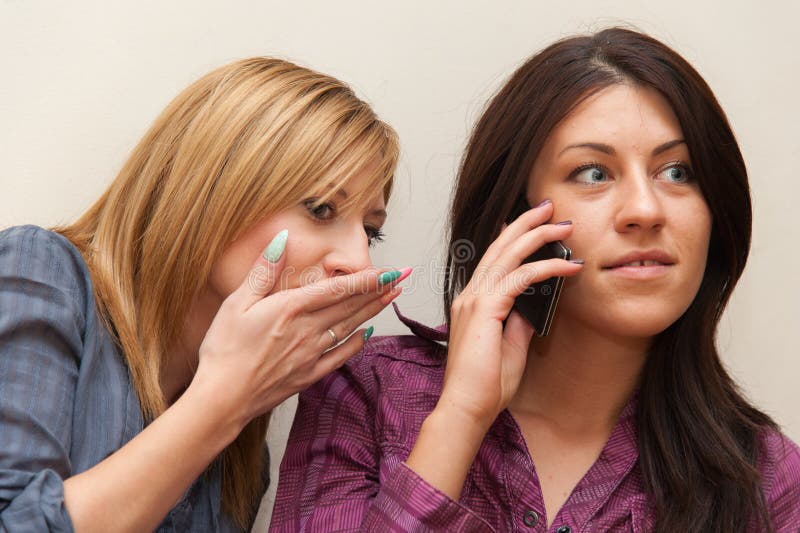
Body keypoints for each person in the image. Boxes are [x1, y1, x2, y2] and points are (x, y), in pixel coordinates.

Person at [269, 28, 800, 532]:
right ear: (513, 216)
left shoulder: (768, 477)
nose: (645, 209)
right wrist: (460, 418)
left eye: (677, 172)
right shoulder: (367, 391)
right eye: (593, 173)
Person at [0, 57, 409, 532]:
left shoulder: (242, 462)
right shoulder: (42, 273)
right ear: (213, 188)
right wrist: (223, 402)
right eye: (320, 209)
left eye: (371, 232)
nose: (359, 262)